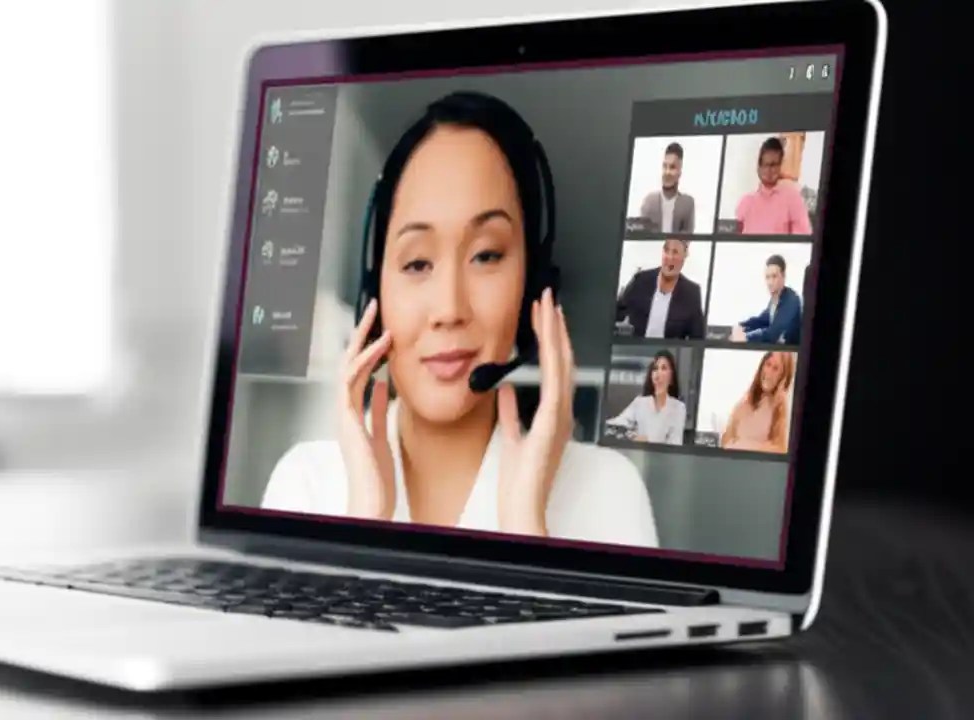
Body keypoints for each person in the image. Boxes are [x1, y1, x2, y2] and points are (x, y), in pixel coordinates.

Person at [260, 91, 659, 548]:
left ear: (531, 285)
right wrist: (363, 526)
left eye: (486, 255)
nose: (449, 309)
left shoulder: (607, 492)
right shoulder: (307, 486)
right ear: (376, 289)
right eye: (417, 264)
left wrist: (528, 530)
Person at [614, 238, 706, 339]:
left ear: (684, 257)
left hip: (668, 353)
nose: (669, 257)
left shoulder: (691, 293)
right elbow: (617, 314)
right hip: (635, 352)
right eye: (666, 251)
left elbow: (697, 339)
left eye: (675, 252)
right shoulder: (641, 280)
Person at [734, 137, 813, 235]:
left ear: (780, 166)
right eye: (765, 164)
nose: (768, 170)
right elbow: (734, 242)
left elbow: (802, 239)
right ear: (759, 167)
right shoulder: (745, 202)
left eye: (773, 165)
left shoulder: (793, 198)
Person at [721, 351, 795, 453]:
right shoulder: (745, 401)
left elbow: (780, 449)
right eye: (768, 364)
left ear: (783, 376)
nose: (769, 372)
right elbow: (726, 440)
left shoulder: (779, 405)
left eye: (776, 368)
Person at [606, 350, 686, 445]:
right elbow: (618, 423)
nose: (658, 373)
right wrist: (632, 436)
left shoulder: (678, 408)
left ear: (671, 377)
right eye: (655, 369)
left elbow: (675, 443)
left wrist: (647, 441)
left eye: (663, 368)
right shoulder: (640, 402)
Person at [730, 254, 802, 344]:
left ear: (783, 276)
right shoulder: (775, 300)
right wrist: (741, 326)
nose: (770, 282)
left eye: (774, 276)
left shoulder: (791, 301)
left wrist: (746, 338)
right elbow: (762, 320)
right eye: (767, 277)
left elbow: (773, 334)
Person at [638, 142, 695, 233]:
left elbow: (686, 239)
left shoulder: (687, 203)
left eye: (672, 167)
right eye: (665, 166)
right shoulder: (649, 201)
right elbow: (641, 237)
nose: (667, 172)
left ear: (680, 172)